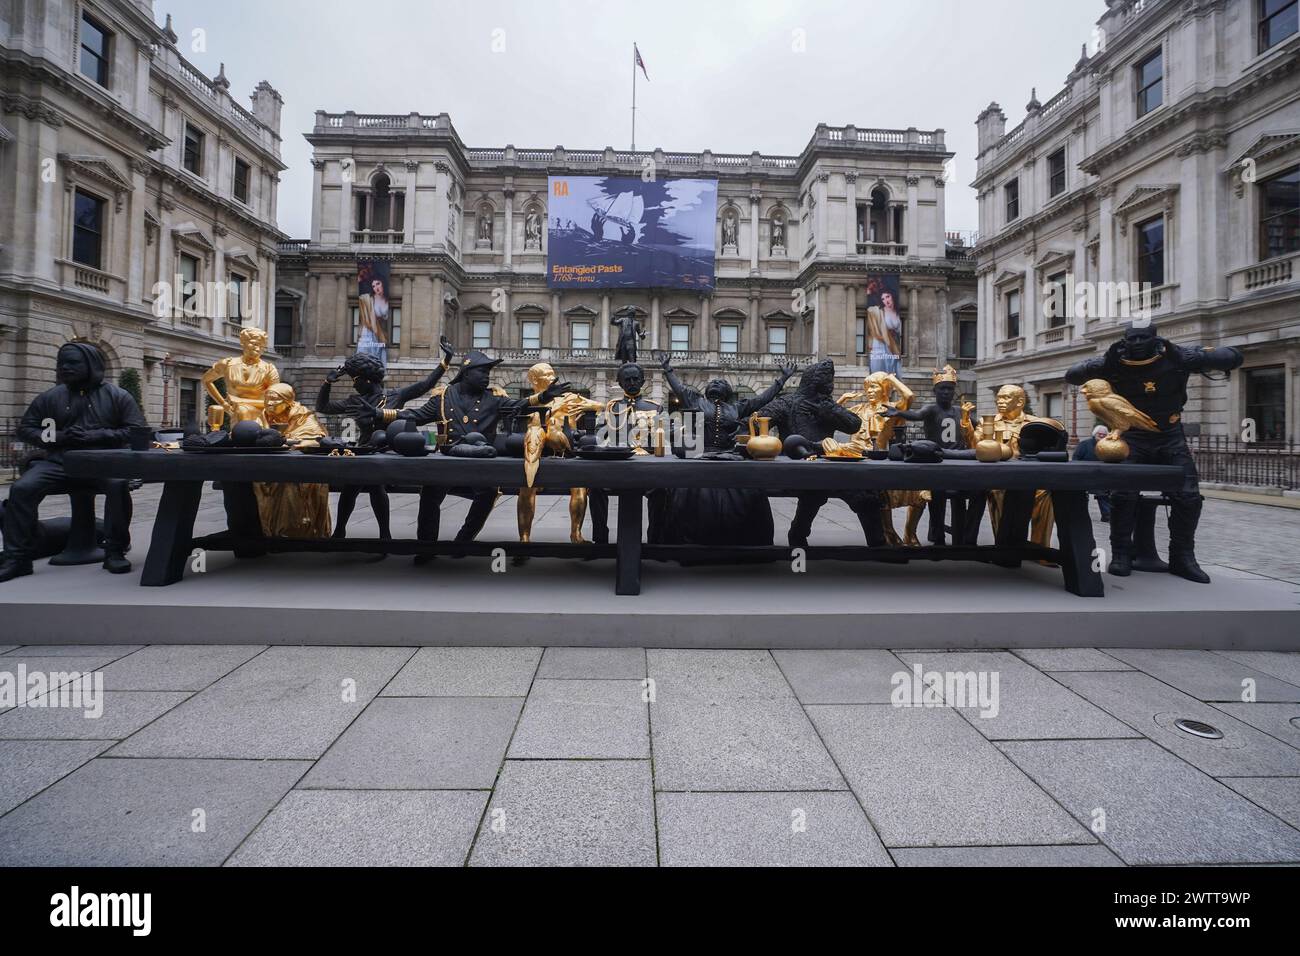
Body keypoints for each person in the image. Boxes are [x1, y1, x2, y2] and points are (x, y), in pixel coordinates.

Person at [1065, 320, 1243, 583]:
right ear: (1125, 342)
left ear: (1154, 339)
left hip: (1170, 436)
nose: (1137, 344)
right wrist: (1103, 362)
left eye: (1142, 338)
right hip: (1132, 438)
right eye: (1132, 339)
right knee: (1123, 495)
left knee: (1189, 496)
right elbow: (1072, 375)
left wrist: (1189, 355)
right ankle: (1121, 554)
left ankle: (1182, 557)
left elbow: (1233, 357)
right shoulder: (1115, 362)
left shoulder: (1175, 357)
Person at [394, 350, 566, 558]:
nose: (487, 376)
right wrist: (380, 414)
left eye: (488, 372)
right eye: (482, 372)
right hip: (447, 461)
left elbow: (518, 405)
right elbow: (415, 416)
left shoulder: (493, 399)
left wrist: (544, 396)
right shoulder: (443, 398)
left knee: (489, 492)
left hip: (480, 462)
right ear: (466, 373)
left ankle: (462, 542)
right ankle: (426, 548)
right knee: (430, 494)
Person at [0, 342, 146, 582]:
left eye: (72, 363)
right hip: (59, 462)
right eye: (61, 363)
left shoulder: (117, 395)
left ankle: (115, 551)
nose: (65, 368)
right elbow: (26, 429)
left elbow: (137, 431)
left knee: (118, 485)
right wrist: (57, 437)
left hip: (104, 463)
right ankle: (18, 558)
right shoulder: (50, 397)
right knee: (22, 488)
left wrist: (98, 435)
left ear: (91, 365)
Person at [316, 340, 453, 538]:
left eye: (355, 379)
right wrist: (327, 383)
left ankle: (384, 534)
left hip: (388, 451)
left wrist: (445, 361)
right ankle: (341, 531)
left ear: (367, 379)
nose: (353, 384)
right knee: (351, 489)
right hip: (365, 450)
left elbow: (426, 385)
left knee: (375, 488)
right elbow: (323, 408)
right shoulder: (355, 402)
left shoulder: (395, 397)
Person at [655, 353, 795, 546]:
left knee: (751, 493)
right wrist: (668, 369)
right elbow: (678, 388)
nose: (716, 384)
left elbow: (762, 399)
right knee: (686, 492)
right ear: (706, 390)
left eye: (721, 383)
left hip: (730, 457)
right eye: (713, 383)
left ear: (728, 392)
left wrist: (782, 380)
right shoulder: (696, 401)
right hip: (702, 456)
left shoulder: (736, 408)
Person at [755, 359, 888, 548]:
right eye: (827, 385)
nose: (830, 389)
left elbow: (854, 424)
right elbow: (757, 421)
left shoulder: (826, 405)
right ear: (816, 385)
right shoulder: (786, 403)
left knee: (864, 493)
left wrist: (830, 411)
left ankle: (877, 543)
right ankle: (798, 533)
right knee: (816, 489)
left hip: (826, 467)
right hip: (793, 468)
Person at [1072, 424, 1113, 522]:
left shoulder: (1108, 445)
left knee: (1103, 494)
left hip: (1101, 475)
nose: (1102, 436)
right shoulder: (1084, 444)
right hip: (1085, 474)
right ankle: (1081, 514)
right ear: (1095, 434)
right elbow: (1076, 458)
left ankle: (1107, 515)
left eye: (1104, 434)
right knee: (1082, 495)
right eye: (1100, 434)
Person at [866, 287, 903, 375]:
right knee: (879, 372)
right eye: (883, 299)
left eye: (887, 297)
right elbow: (870, 310)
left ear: (892, 296)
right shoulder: (879, 311)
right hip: (881, 344)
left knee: (893, 373)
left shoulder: (898, 312)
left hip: (894, 346)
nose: (886, 300)